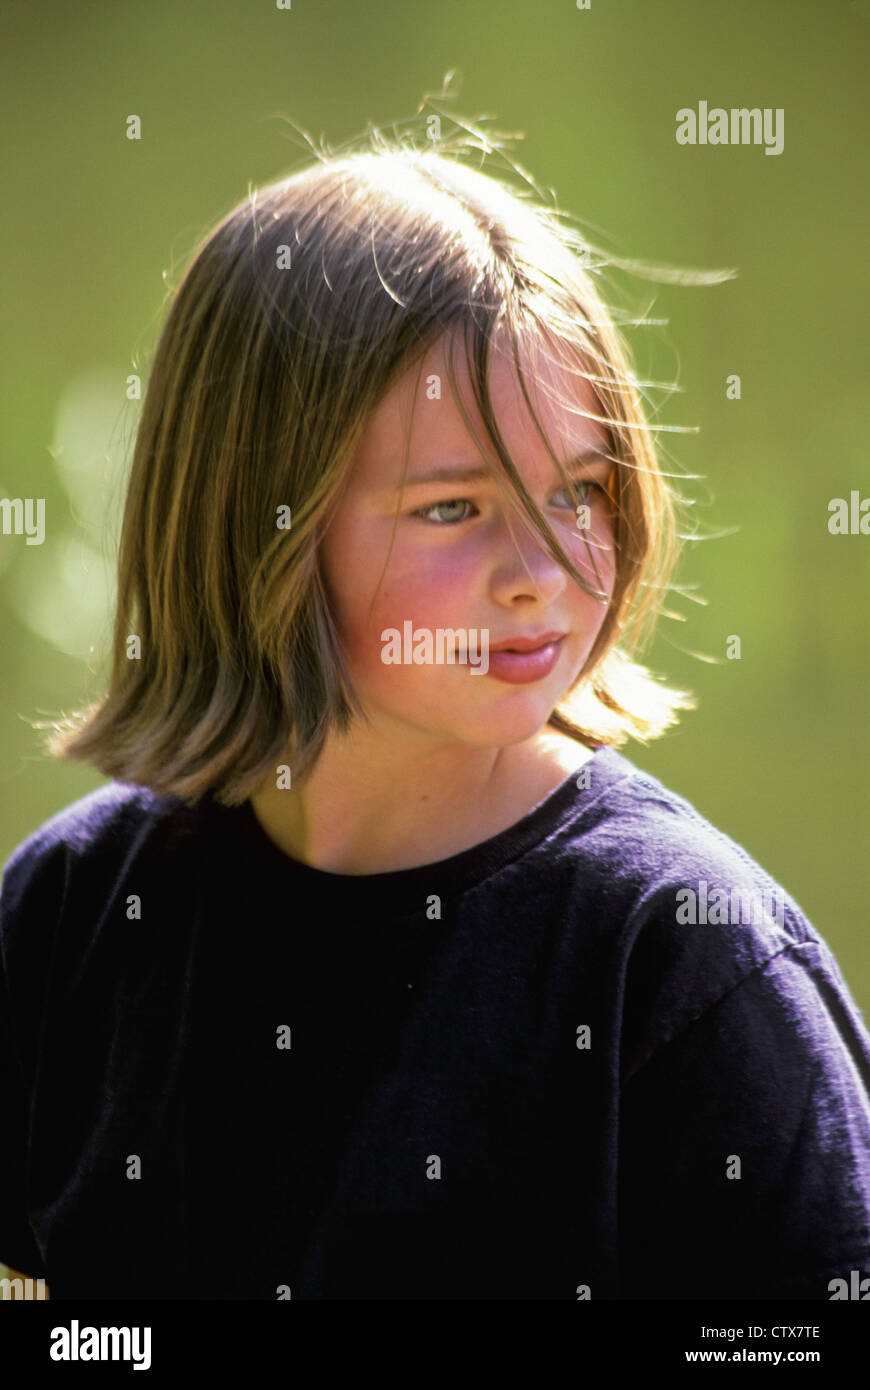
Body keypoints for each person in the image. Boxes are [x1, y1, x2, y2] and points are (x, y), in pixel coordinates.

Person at [2, 132, 869, 1301]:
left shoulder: (681, 956)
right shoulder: (72, 912)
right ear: (254, 523)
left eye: (580, 490)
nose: (544, 566)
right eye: (453, 505)